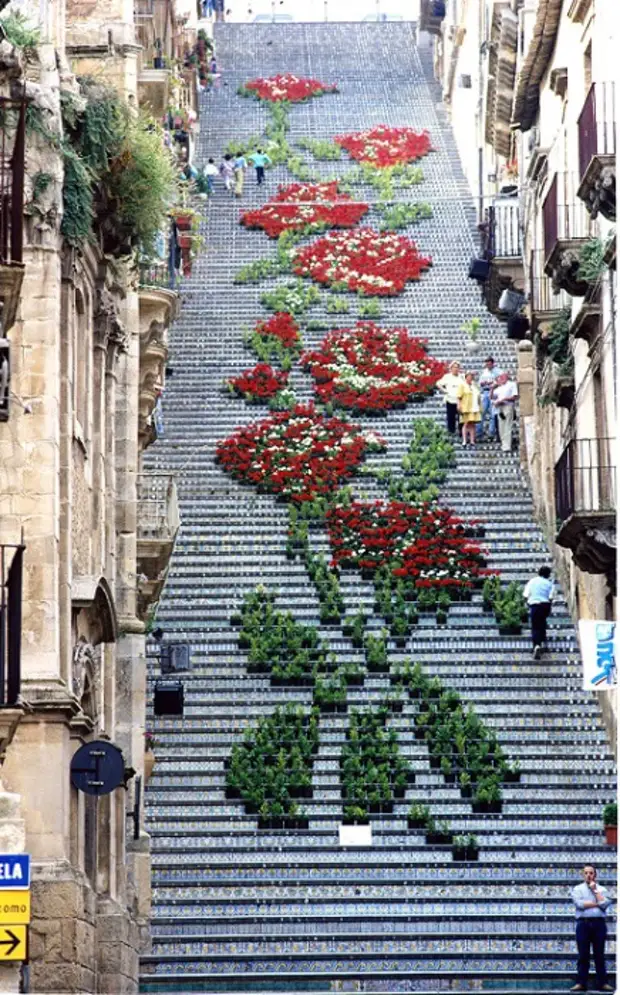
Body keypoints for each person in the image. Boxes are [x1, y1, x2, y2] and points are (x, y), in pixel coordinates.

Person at [571, 865, 614, 992]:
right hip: (583, 924)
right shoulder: (577, 889)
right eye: (586, 873)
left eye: (591, 873)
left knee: (599, 955)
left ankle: (602, 983)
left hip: (599, 925)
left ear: (595, 875)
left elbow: (605, 904)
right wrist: (598, 903)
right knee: (583, 955)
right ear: (583, 875)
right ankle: (581, 983)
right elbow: (579, 904)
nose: (588, 875)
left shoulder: (602, 889)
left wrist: (595, 891)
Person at [523, 566, 554, 659]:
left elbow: (525, 595)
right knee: (542, 621)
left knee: (535, 626)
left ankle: (536, 645)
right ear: (548, 575)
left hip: (534, 605)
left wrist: (527, 603)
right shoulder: (549, 584)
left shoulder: (532, 581)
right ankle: (543, 638)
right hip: (545, 605)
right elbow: (551, 597)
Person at [477, 356, 503, 441]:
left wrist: (493, 383)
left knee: (493, 414)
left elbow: (502, 380)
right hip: (484, 392)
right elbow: (479, 383)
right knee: (482, 412)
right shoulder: (484, 372)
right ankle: (479, 432)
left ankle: (491, 432)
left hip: (494, 392)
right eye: (486, 364)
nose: (488, 365)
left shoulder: (498, 371)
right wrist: (483, 383)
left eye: (489, 363)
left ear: (493, 363)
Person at [491, 371, 518, 452]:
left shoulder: (512, 384)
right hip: (500, 407)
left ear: (506, 377)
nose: (501, 378)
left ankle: (507, 446)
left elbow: (514, 396)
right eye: (500, 377)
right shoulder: (499, 387)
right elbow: (492, 397)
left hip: (508, 406)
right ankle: (503, 444)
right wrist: (492, 388)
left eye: (503, 377)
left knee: (507, 426)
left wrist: (505, 399)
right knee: (501, 427)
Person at [437, 361, 463, 436]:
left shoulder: (461, 377)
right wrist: (445, 391)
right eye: (454, 367)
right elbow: (438, 383)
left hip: (460, 400)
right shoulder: (447, 377)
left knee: (461, 417)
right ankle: (451, 431)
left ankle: (461, 432)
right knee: (451, 416)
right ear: (451, 368)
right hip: (450, 399)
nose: (456, 369)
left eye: (457, 367)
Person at [456, 371, 481, 447]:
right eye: (469, 376)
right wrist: (459, 405)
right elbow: (459, 396)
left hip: (475, 407)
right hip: (466, 407)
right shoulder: (462, 385)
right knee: (466, 423)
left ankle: (472, 441)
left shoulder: (474, 386)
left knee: (472, 424)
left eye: (471, 377)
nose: (470, 378)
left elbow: (478, 396)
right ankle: (464, 440)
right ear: (466, 377)